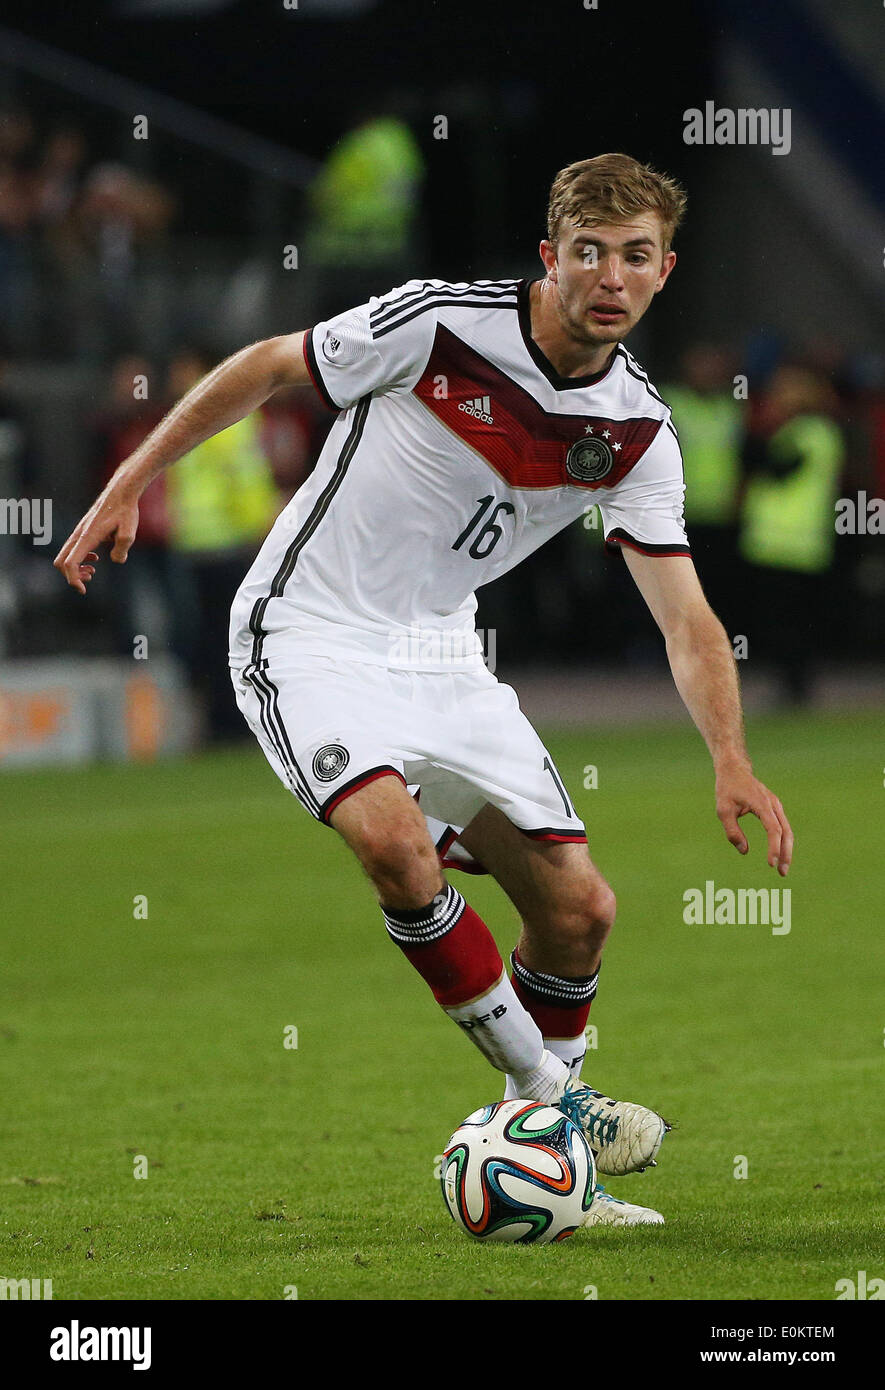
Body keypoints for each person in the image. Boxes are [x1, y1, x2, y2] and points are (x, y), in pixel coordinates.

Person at [54, 153, 793, 1230]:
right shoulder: (443, 324)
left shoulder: (638, 431)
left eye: (636, 257)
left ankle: (547, 1168)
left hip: (446, 658)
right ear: (551, 257)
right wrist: (131, 479)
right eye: (589, 251)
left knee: (581, 912)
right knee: (394, 845)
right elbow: (267, 365)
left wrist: (732, 757)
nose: (611, 276)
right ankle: (561, 1105)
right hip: (309, 630)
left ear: (665, 272)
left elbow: (685, 619)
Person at [738, 364, 845, 705]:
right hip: (779, 543)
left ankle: (796, 688)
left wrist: (758, 431)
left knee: (790, 622)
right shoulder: (801, 432)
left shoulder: (812, 432)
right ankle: (792, 686)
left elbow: (775, 469)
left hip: (793, 543)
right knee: (783, 620)